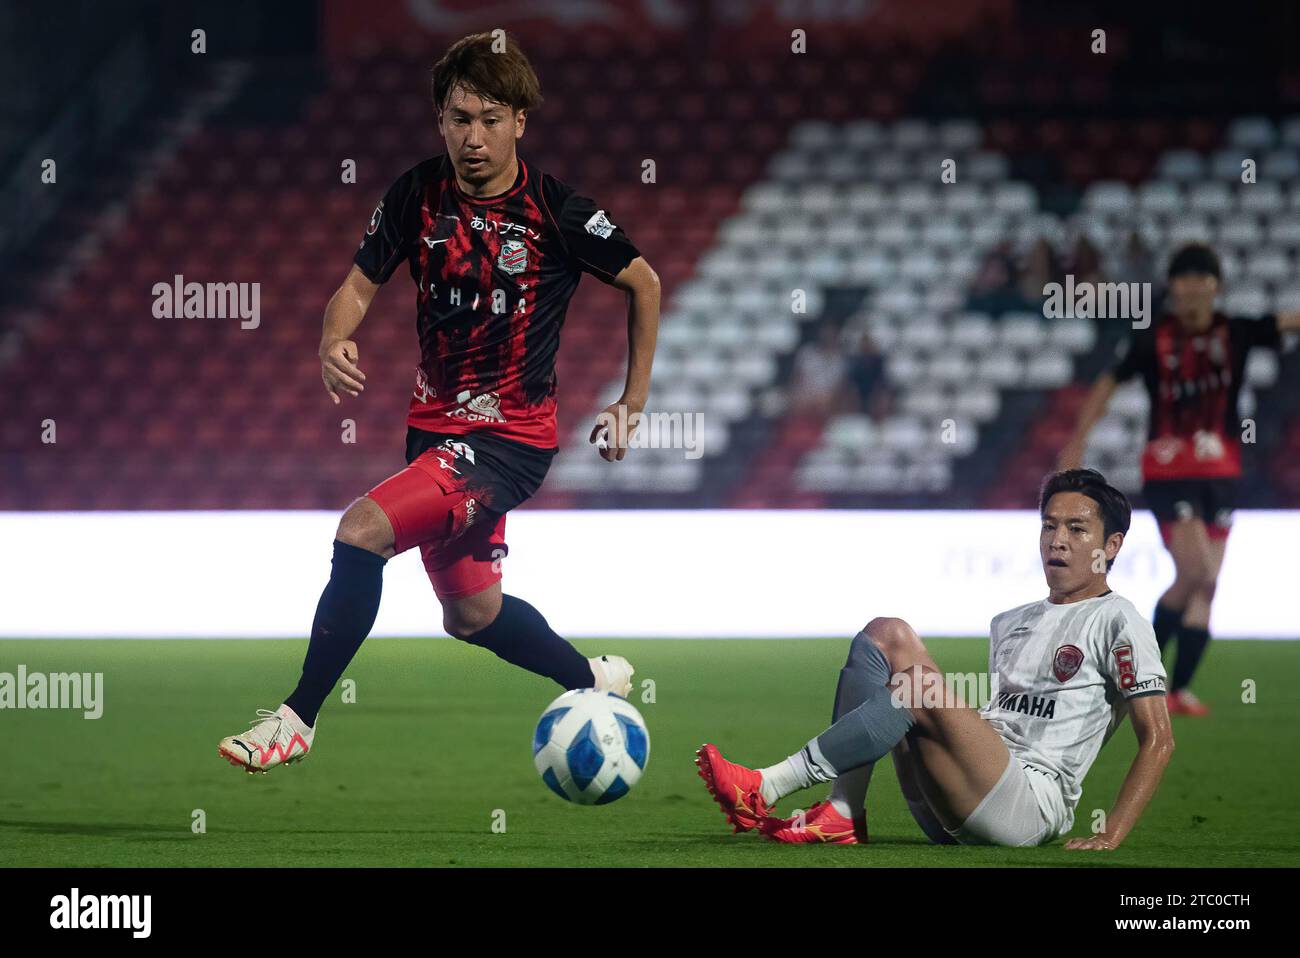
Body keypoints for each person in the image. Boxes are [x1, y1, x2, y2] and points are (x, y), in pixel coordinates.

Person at [217, 32, 661, 772]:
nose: (473, 137)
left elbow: (642, 281)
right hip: (432, 432)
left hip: (509, 441)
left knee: (361, 530)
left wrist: (633, 401)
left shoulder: (557, 211)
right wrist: (333, 340)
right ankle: (590, 678)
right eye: (459, 118)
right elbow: (358, 284)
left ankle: (296, 718)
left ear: (521, 119)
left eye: (490, 118)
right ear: (439, 121)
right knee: (472, 615)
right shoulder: (415, 195)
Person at [696, 469, 1173, 849]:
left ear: (1111, 545)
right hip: (962, 797)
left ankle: (767, 785)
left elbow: (1158, 739)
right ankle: (843, 812)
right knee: (887, 634)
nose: (1057, 540)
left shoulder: (1119, 620)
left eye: (1076, 528)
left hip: (1028, 806)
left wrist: (1111, 833)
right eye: (1049, 525)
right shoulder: (1010, 621)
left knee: (920, 683)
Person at [1060, 243, 1300, 715]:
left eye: (1201, 279)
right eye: (1184, 279)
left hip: (1224, 473)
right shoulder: (1154, 338)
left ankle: (1176, 691)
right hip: (1170, 474)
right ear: (1173, 287)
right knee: (1197, 572)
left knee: (1206, 587)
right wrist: (1078, 438)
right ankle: (1134, 672)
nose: (1192, 289)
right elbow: (1110, 380)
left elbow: (1288, 320)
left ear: (1216, 286)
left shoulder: (1236, 331)